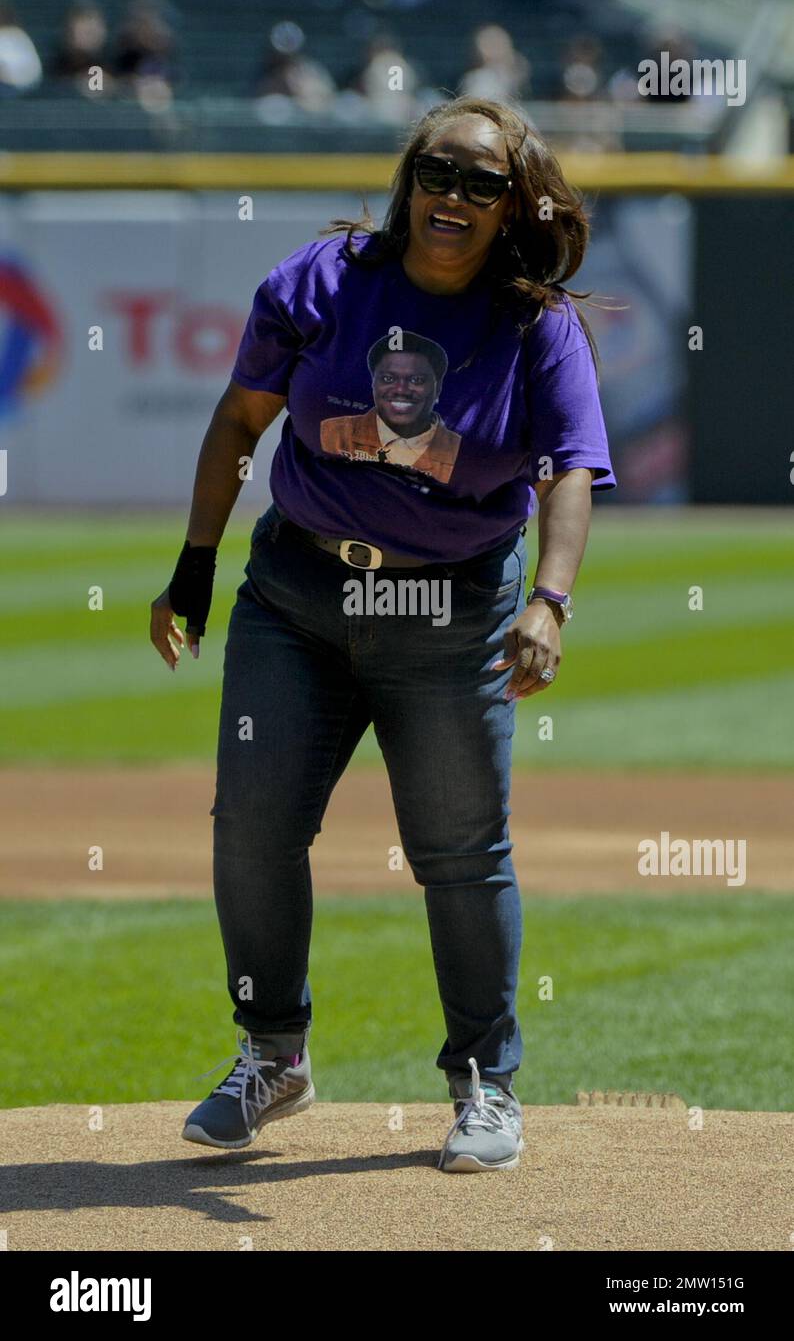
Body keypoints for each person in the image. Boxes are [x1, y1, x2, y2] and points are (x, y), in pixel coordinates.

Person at [150, 96, 616, 1172]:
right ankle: (272, 1055)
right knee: (252, 827)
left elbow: (570, 471)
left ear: (513, 206)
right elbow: (239, 418)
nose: (452, 197)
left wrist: (549, 598)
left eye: (481, 184)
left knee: (458, 853)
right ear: (408, 179)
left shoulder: (531, 322)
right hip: (300, 595)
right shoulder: (319, 284)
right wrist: (194, 560)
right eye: (436, 173)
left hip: (449, 612)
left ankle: (484, 1084)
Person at [319, 331, 462, 483]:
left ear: (438, 387)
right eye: (388, 378)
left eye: (417, 380)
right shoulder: (334, 433)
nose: (401, 390)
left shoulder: (459, 450)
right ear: (373, 383)